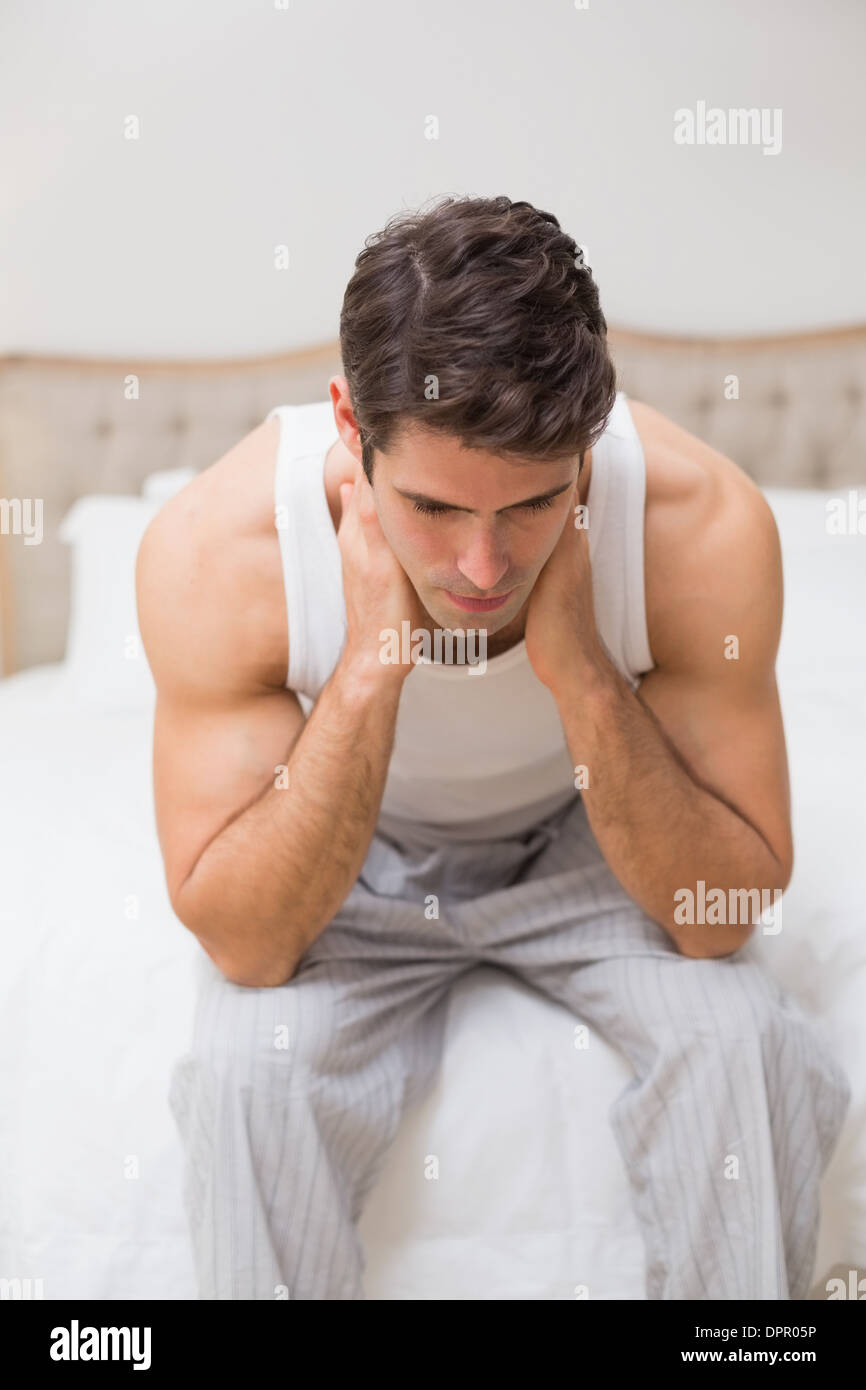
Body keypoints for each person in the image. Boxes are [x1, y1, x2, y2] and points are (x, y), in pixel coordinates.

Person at [136, 194, 851, 1300]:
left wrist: (580, 673)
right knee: (243, 1075)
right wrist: (373, 663)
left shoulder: (699, 525)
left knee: (741, 1043)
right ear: (347, 424)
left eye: (528, 506)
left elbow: (719, 919)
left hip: (592, 838)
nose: (480, 566)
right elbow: (246, 946)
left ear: (590, 440)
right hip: (349, 852)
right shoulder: (215, 552)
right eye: (430, 507)